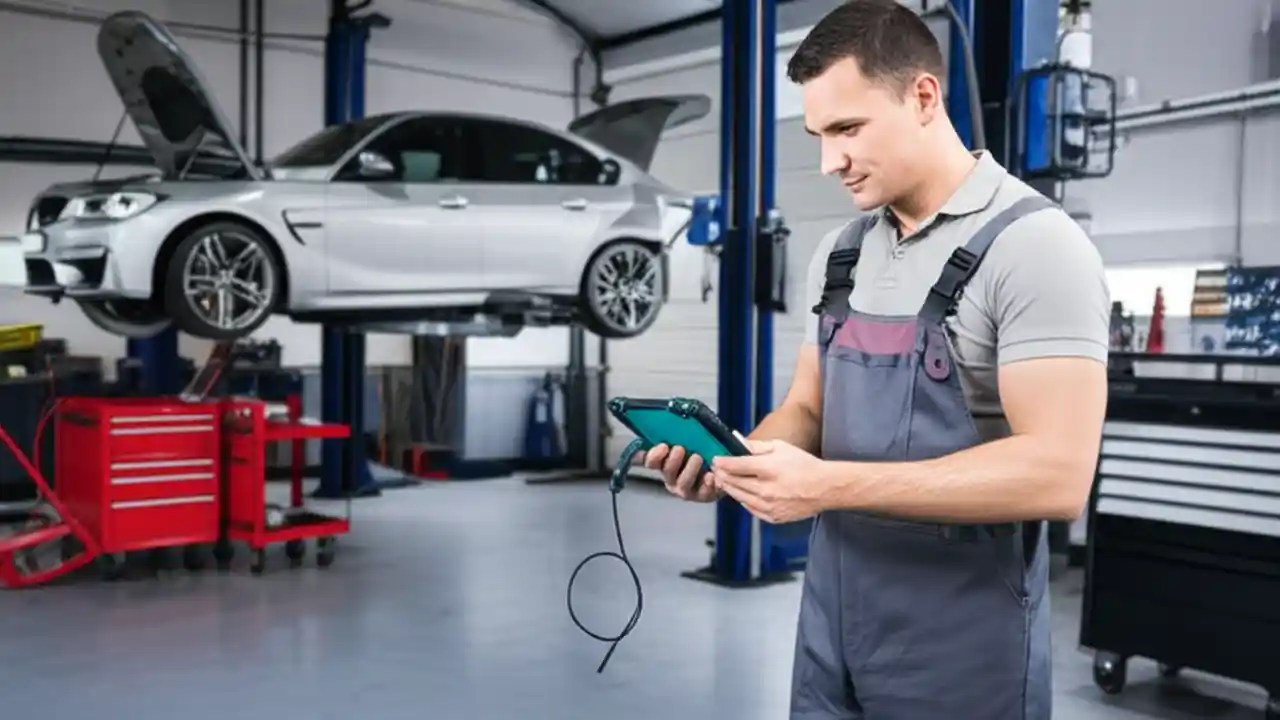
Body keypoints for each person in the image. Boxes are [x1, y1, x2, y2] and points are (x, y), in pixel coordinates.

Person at [641, 1, 1111, 718]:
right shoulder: (842, 254)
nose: (830, 162)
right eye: (818, 135)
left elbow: (1058, 474)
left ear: (924, 96)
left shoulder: (1035, 247)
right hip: (832, 629)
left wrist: (825, 486)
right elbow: (807, 407)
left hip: (960, 648)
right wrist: (741, 461)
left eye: (848, 129)